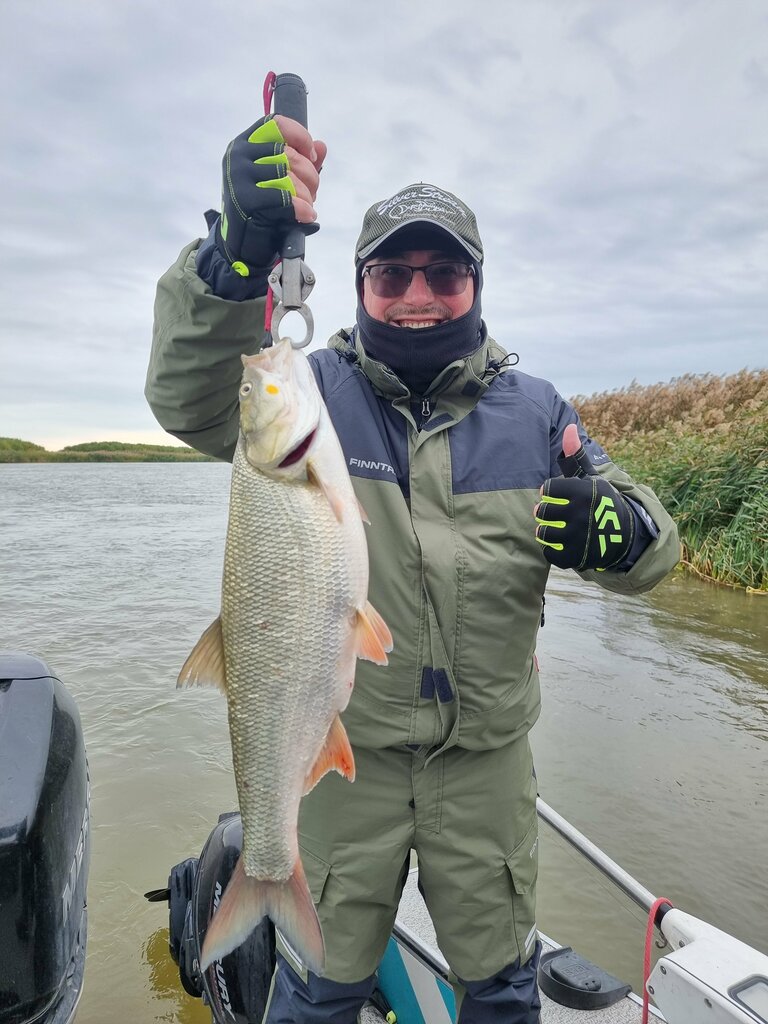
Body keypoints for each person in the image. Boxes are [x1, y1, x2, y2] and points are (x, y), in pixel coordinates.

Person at [146, 113, 680, 1024]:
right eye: (393, 275)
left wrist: (623, 531)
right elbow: (186, 394)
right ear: (359, 286)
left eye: (444, 272)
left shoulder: (536, 409)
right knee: (320, 986)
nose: (419, 295)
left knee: (503, 985)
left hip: (487, 767)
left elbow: (655, 551)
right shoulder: (312, 393)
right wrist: (229, 263)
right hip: (349, 758)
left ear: (476, 284)